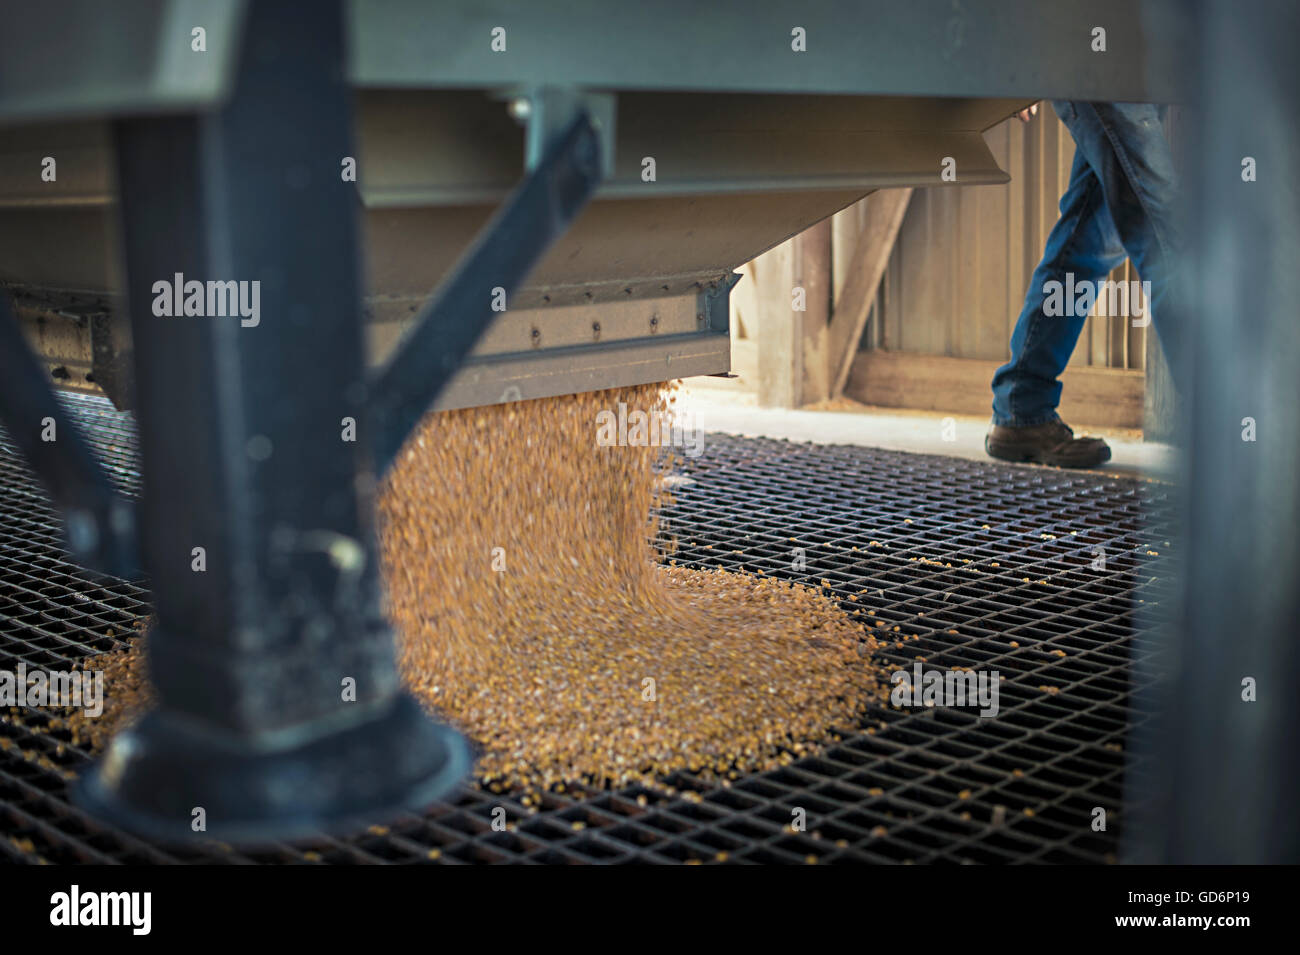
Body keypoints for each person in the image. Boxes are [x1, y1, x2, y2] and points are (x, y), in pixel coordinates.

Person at [987, 101, 1181, 468]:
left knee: (1090, 237)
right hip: (1108, 77)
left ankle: (1022, 409)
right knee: (1169, 239)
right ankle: (1229, 435)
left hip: (1136, 75)